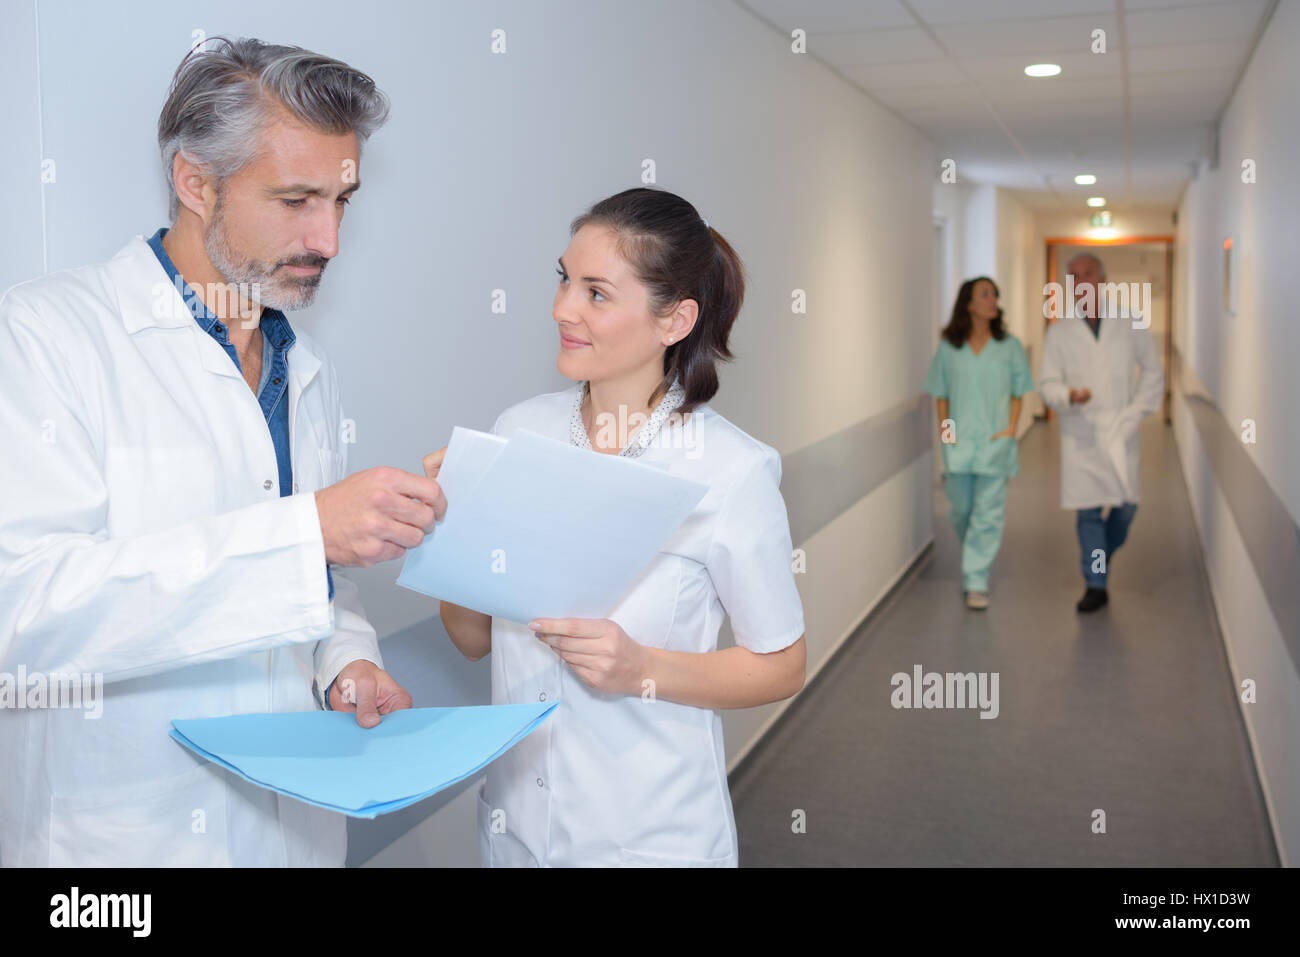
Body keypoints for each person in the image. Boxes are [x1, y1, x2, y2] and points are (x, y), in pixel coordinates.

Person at [0, 38, 446, 867]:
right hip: (125, 845)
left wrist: (347, 657)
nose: (330, 239)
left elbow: (315, 584)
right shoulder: (42, 338)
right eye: (297, 199)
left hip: (294, 829)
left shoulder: (302, 367)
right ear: (195, 182)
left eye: (342, 201)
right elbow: (21, 614)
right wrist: (306, 531)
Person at [432, 187, 806, 866]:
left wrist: (642, 669)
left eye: (596, 293)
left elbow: (781, 665)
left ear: (675, 320)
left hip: (648, 835)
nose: (562, 309)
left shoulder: (731, 470)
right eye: (563, 279)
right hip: (515, 827)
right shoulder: (520, 431)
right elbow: (472, 640)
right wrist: (455, 529)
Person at [1038, 252, 1163, 612]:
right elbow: (1047, 383)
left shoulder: (1131, 321)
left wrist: (1136, 412)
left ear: (1103, 280)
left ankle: (1100, 559)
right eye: (1073, 276)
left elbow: (1153, 373)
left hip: (1121, 431)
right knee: (1088, 514)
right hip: (1082, 434)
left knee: (1127, 508)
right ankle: (1096, 583)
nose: (1081, 282)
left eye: (1088, 274)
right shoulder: (1059, 331)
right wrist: (1067, 396)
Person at [923, 277, 1034, 609]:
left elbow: (1019, 391)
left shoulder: (1009, 346)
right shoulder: (949, 347)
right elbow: (940, 394)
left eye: (994, 295)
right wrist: (947, 433)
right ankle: (976, 556)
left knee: (987, 515)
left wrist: (1012, 427)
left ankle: (976, 580)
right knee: (962, 512)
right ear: (968, 304)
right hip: (959, 444)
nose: (992, 300)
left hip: (995, 441)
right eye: (985, 294)